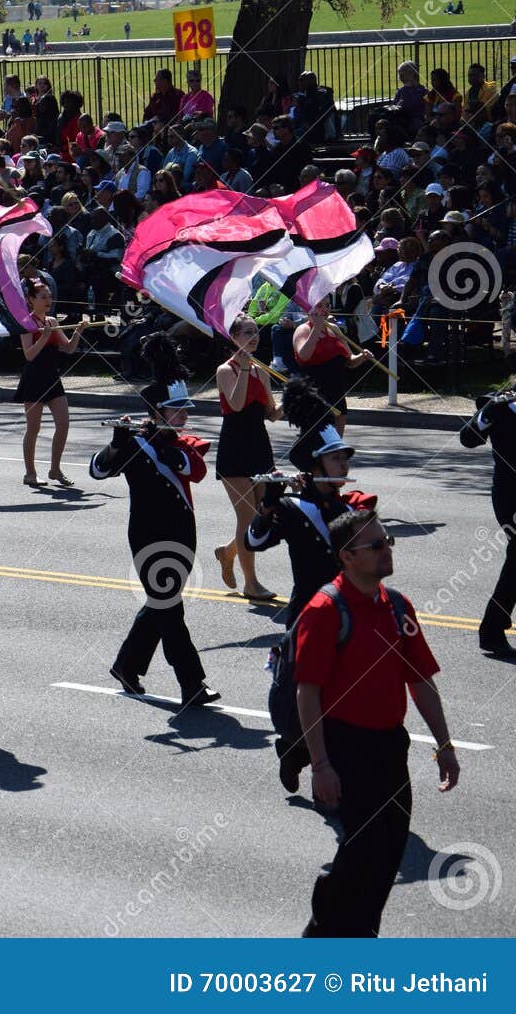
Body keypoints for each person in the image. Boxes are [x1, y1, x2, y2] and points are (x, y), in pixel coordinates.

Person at [296, 508, 457, 937]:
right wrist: (321, 764)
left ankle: (363, 931)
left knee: (389, 845)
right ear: (347, 557)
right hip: (345, 745)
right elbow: (307, 692)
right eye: (376, 545)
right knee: (363, 846)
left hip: (390, 746)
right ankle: (323, 931)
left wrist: (444, 745)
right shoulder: (326, 608)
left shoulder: (397, 606)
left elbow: (420, 679)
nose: (387, 550)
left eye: (387, 541)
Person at [248, 376, 377, 791]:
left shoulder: (348, 506)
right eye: (338, 459)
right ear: (318, 465)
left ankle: (325, 767)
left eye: (345, 457)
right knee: (312, 698)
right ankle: (295, 749)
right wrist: (267, 505)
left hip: (350, 616)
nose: (346, 465)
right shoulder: (293, 507)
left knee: (344, 699)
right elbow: (255, 541)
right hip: (308, 614)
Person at [90, 334, 219, 708]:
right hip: (147, 534)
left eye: (185, 409)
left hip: (182, 531)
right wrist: (117, 443)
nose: (185, 415)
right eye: (177, 410)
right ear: (158, 410)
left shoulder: (181, 443)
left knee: (163, 603)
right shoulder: (133, 443)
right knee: (169, 606)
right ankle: (192, 683)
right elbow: (98, 471)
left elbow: (194, 470)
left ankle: (127, 666)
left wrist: (164, 440)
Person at [211, 314, 279, 602]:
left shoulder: (261, 371)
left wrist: (301, 399)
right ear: (234, 338)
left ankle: (227, 552)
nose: (254, 336)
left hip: (259, 445)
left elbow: (270, 413)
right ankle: (251, 583)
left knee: (265, 513)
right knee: (247, 517)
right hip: (234, 447)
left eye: (256, 332)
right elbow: (237, 405)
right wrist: (243, 369)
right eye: (247, 332)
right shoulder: (225, 370)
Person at [457, 367, 516, 657]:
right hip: (510, 496)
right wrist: (486, 414)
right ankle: (492, 630)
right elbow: (467, 439)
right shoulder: (502, 408)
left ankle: (493, 627)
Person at [16, 277, 90, 486]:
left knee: (64, 424)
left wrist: (78, 332)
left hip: (51, 377)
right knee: (34, 428)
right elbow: (29, 355)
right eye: (43, 297)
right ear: (31, 300)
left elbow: (68, 348)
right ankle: (30, 473)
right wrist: (42, 337)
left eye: (49, 296)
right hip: (34, 378)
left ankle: (55, 469)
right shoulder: (26, 323)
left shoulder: (52, 321)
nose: (48, 300)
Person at [293, 298, 373, 435]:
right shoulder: (303, 329)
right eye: (319, 305)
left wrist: (362, 357)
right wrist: (317, 328)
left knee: (336, 446)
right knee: (316, 442)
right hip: (314, 396)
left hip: (337, 392)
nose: (325, 309)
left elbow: (350, 361)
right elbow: (303, 356)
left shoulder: (334, 329)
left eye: (327, 305)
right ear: (309, 309)